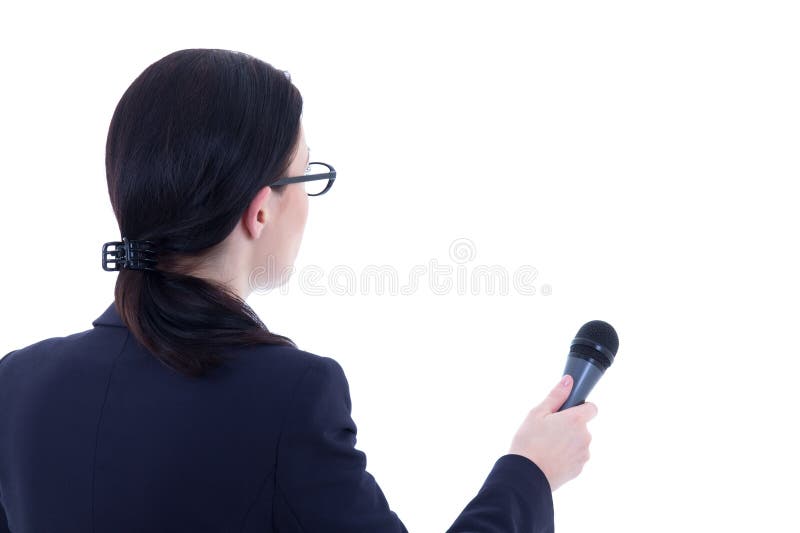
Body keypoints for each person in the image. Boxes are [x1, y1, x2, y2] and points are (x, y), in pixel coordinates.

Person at [0, 48, 597, 533]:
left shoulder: (16, 384)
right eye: (307, 176)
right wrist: (530, 473)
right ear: (260, 211)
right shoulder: (290, 397)